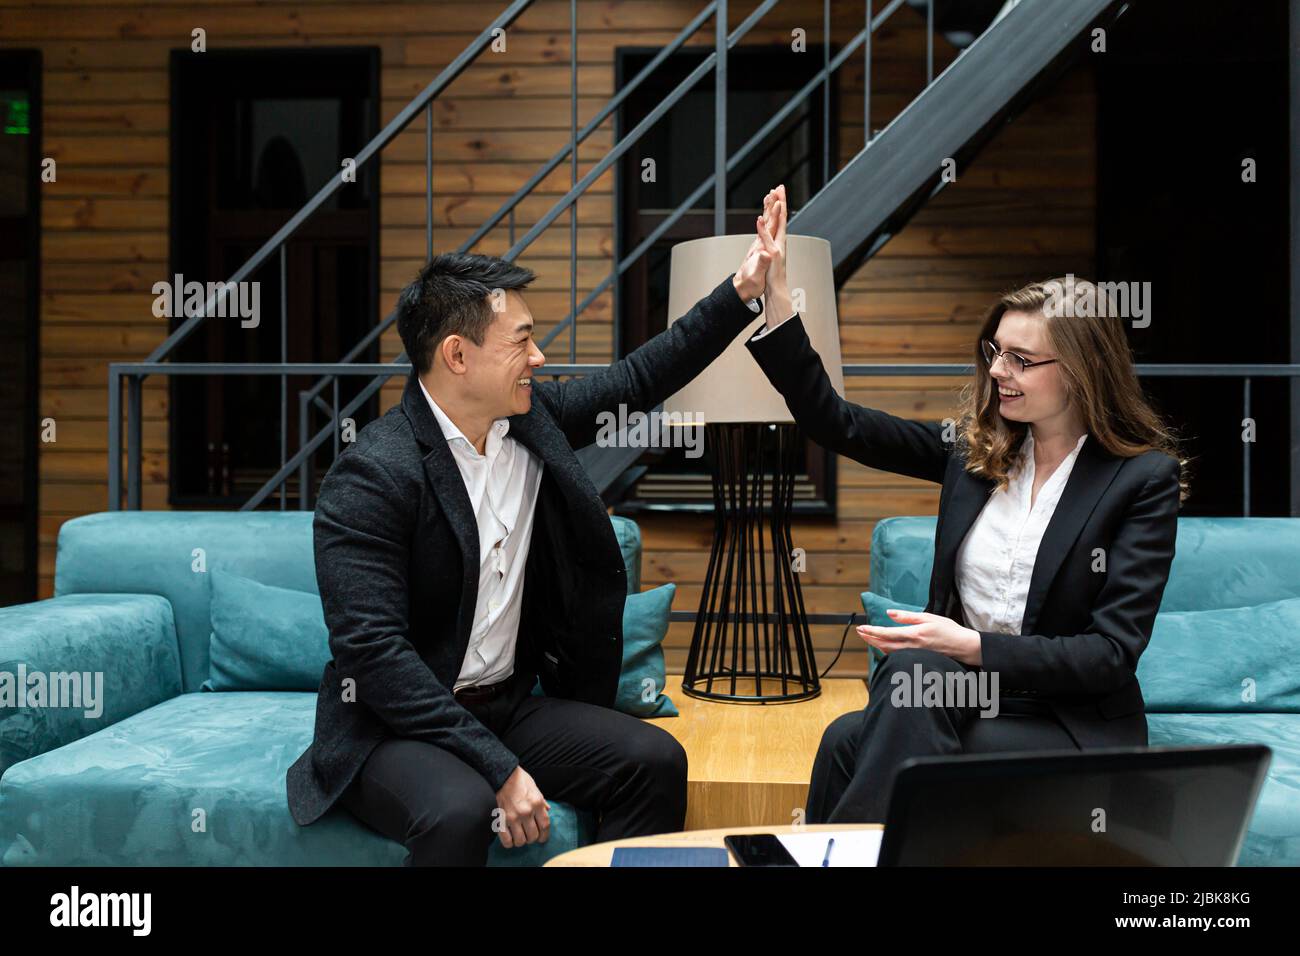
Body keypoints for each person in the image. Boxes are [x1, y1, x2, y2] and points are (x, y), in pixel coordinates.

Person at [286, 203, 782, 864]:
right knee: (460, 811)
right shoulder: (374, 474)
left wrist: (742, 290)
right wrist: (499, 769)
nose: (538, 356)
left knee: (653, 759)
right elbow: (373, 655)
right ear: (457, 355)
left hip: (507, 707)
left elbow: (640, 376)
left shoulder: (532, 420)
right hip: (394, 726)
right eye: (521, 340)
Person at [744, 185, 1189, 824]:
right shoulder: (975, 453)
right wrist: (779, 296)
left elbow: (1108, 656)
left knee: (870, 725)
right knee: (879, 707)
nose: (997, 371)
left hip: (1064, 718)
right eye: (994, 352)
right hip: (959, 695)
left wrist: (969, 646)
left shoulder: (1139, 482)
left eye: (1021, 359)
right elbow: (838, 424)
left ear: (1081, 371)